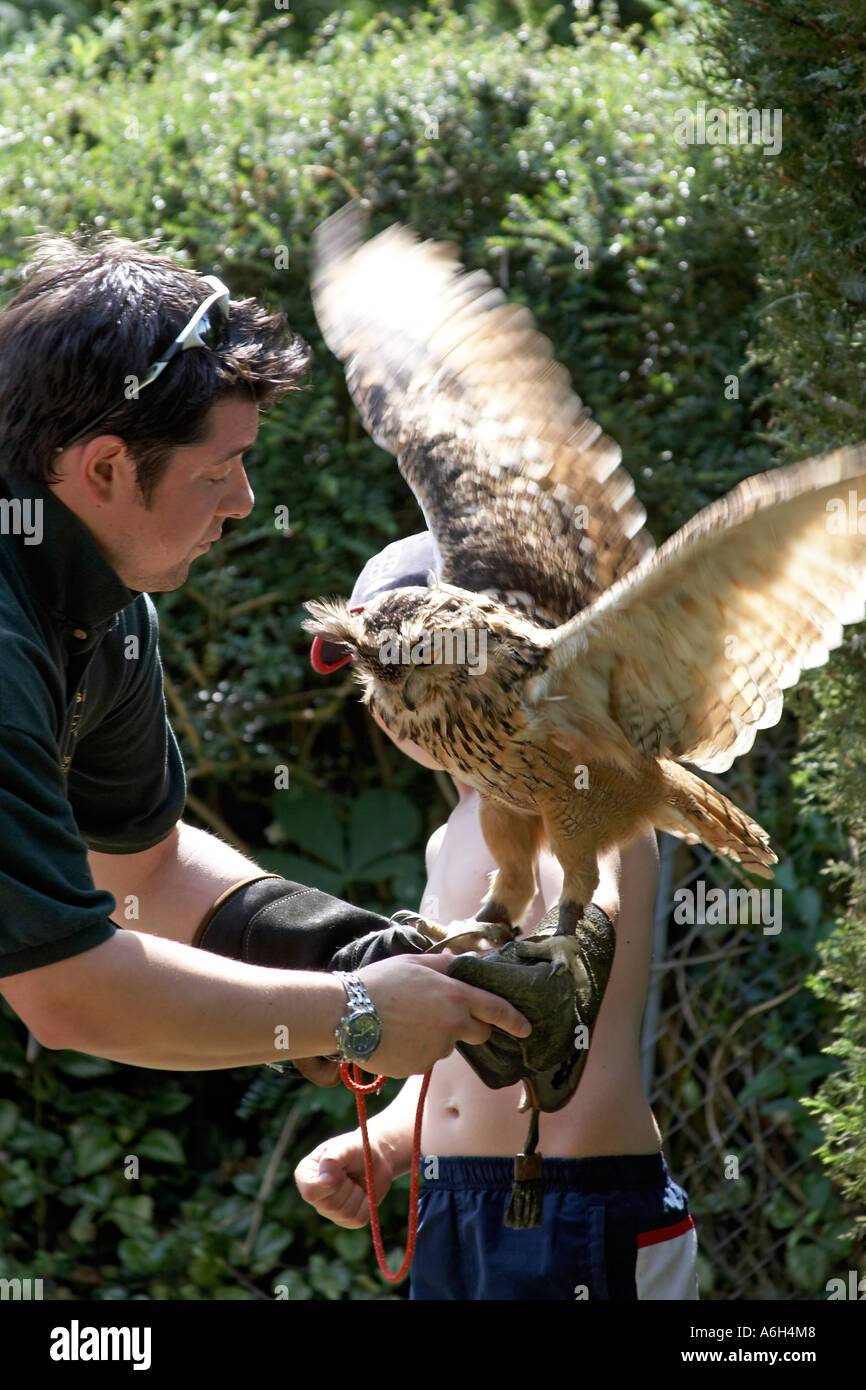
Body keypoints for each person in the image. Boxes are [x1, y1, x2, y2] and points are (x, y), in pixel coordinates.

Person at [0, 235, 531, 1082]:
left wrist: (350, 954)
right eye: (220, 470)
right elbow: (66, 990)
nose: (245, 503)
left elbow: (143, 867)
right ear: (104, 466)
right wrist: (354, 1013)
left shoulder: (100, 601)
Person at [295, 536, 699, 1300]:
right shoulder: (450, 837)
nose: (388, 700)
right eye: (370, 674)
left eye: (412, 665)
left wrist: (575, 929)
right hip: (452, 1203)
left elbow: (594, 898)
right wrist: (384, 1146)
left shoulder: (573, 776)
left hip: (578, 1202)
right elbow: (456, 1045)